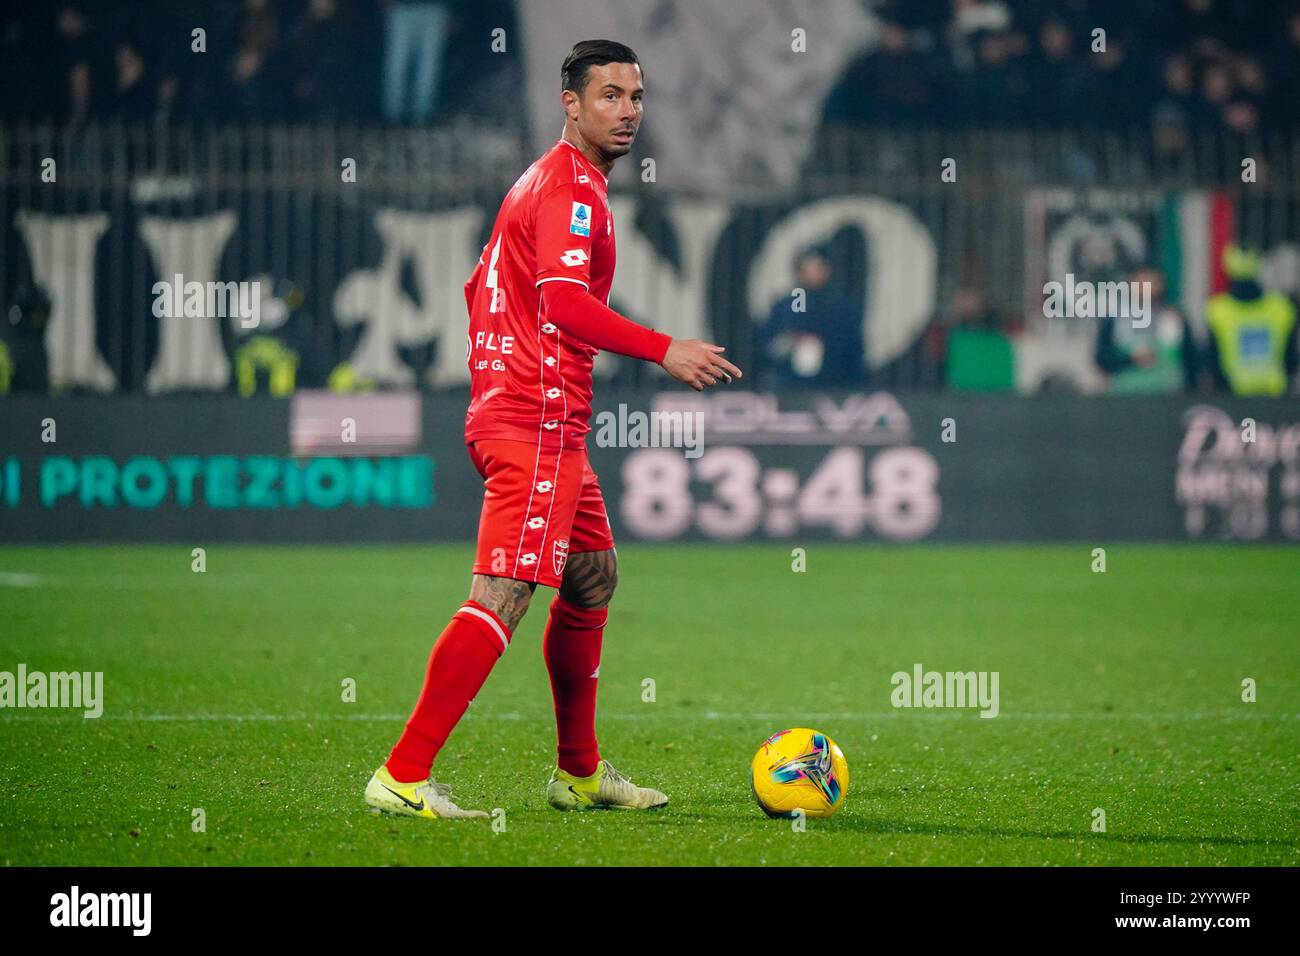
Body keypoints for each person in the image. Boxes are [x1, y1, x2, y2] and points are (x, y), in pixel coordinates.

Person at [365, 39, 742, 820]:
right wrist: (663, 347)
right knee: (503, 594)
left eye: (636, 96)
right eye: (610, 95)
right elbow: (563, 303)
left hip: (546, 419)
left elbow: (482, 285)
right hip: (533, 420)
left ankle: (578, 773)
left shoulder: (546, 181)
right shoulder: (570, 189)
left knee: (593, 575)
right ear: (570, 104)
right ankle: (402, 775)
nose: (629, 110)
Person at [757, 246, 866, 389]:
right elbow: (766, 344)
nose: (812, 273)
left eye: (817, 267)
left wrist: (824, 344)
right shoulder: (786, 305)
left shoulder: (843, 305)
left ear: (827, 270)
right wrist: (792, 342)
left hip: (835, 383)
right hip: (790, 385)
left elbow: (854, 348)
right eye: (807, 268)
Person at [1205, 246, 1298, 397]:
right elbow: (1291, 357)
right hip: (1276, 396)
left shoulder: (1218, 310)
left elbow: (1211, 359)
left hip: (1235, 396)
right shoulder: (1281, 308)